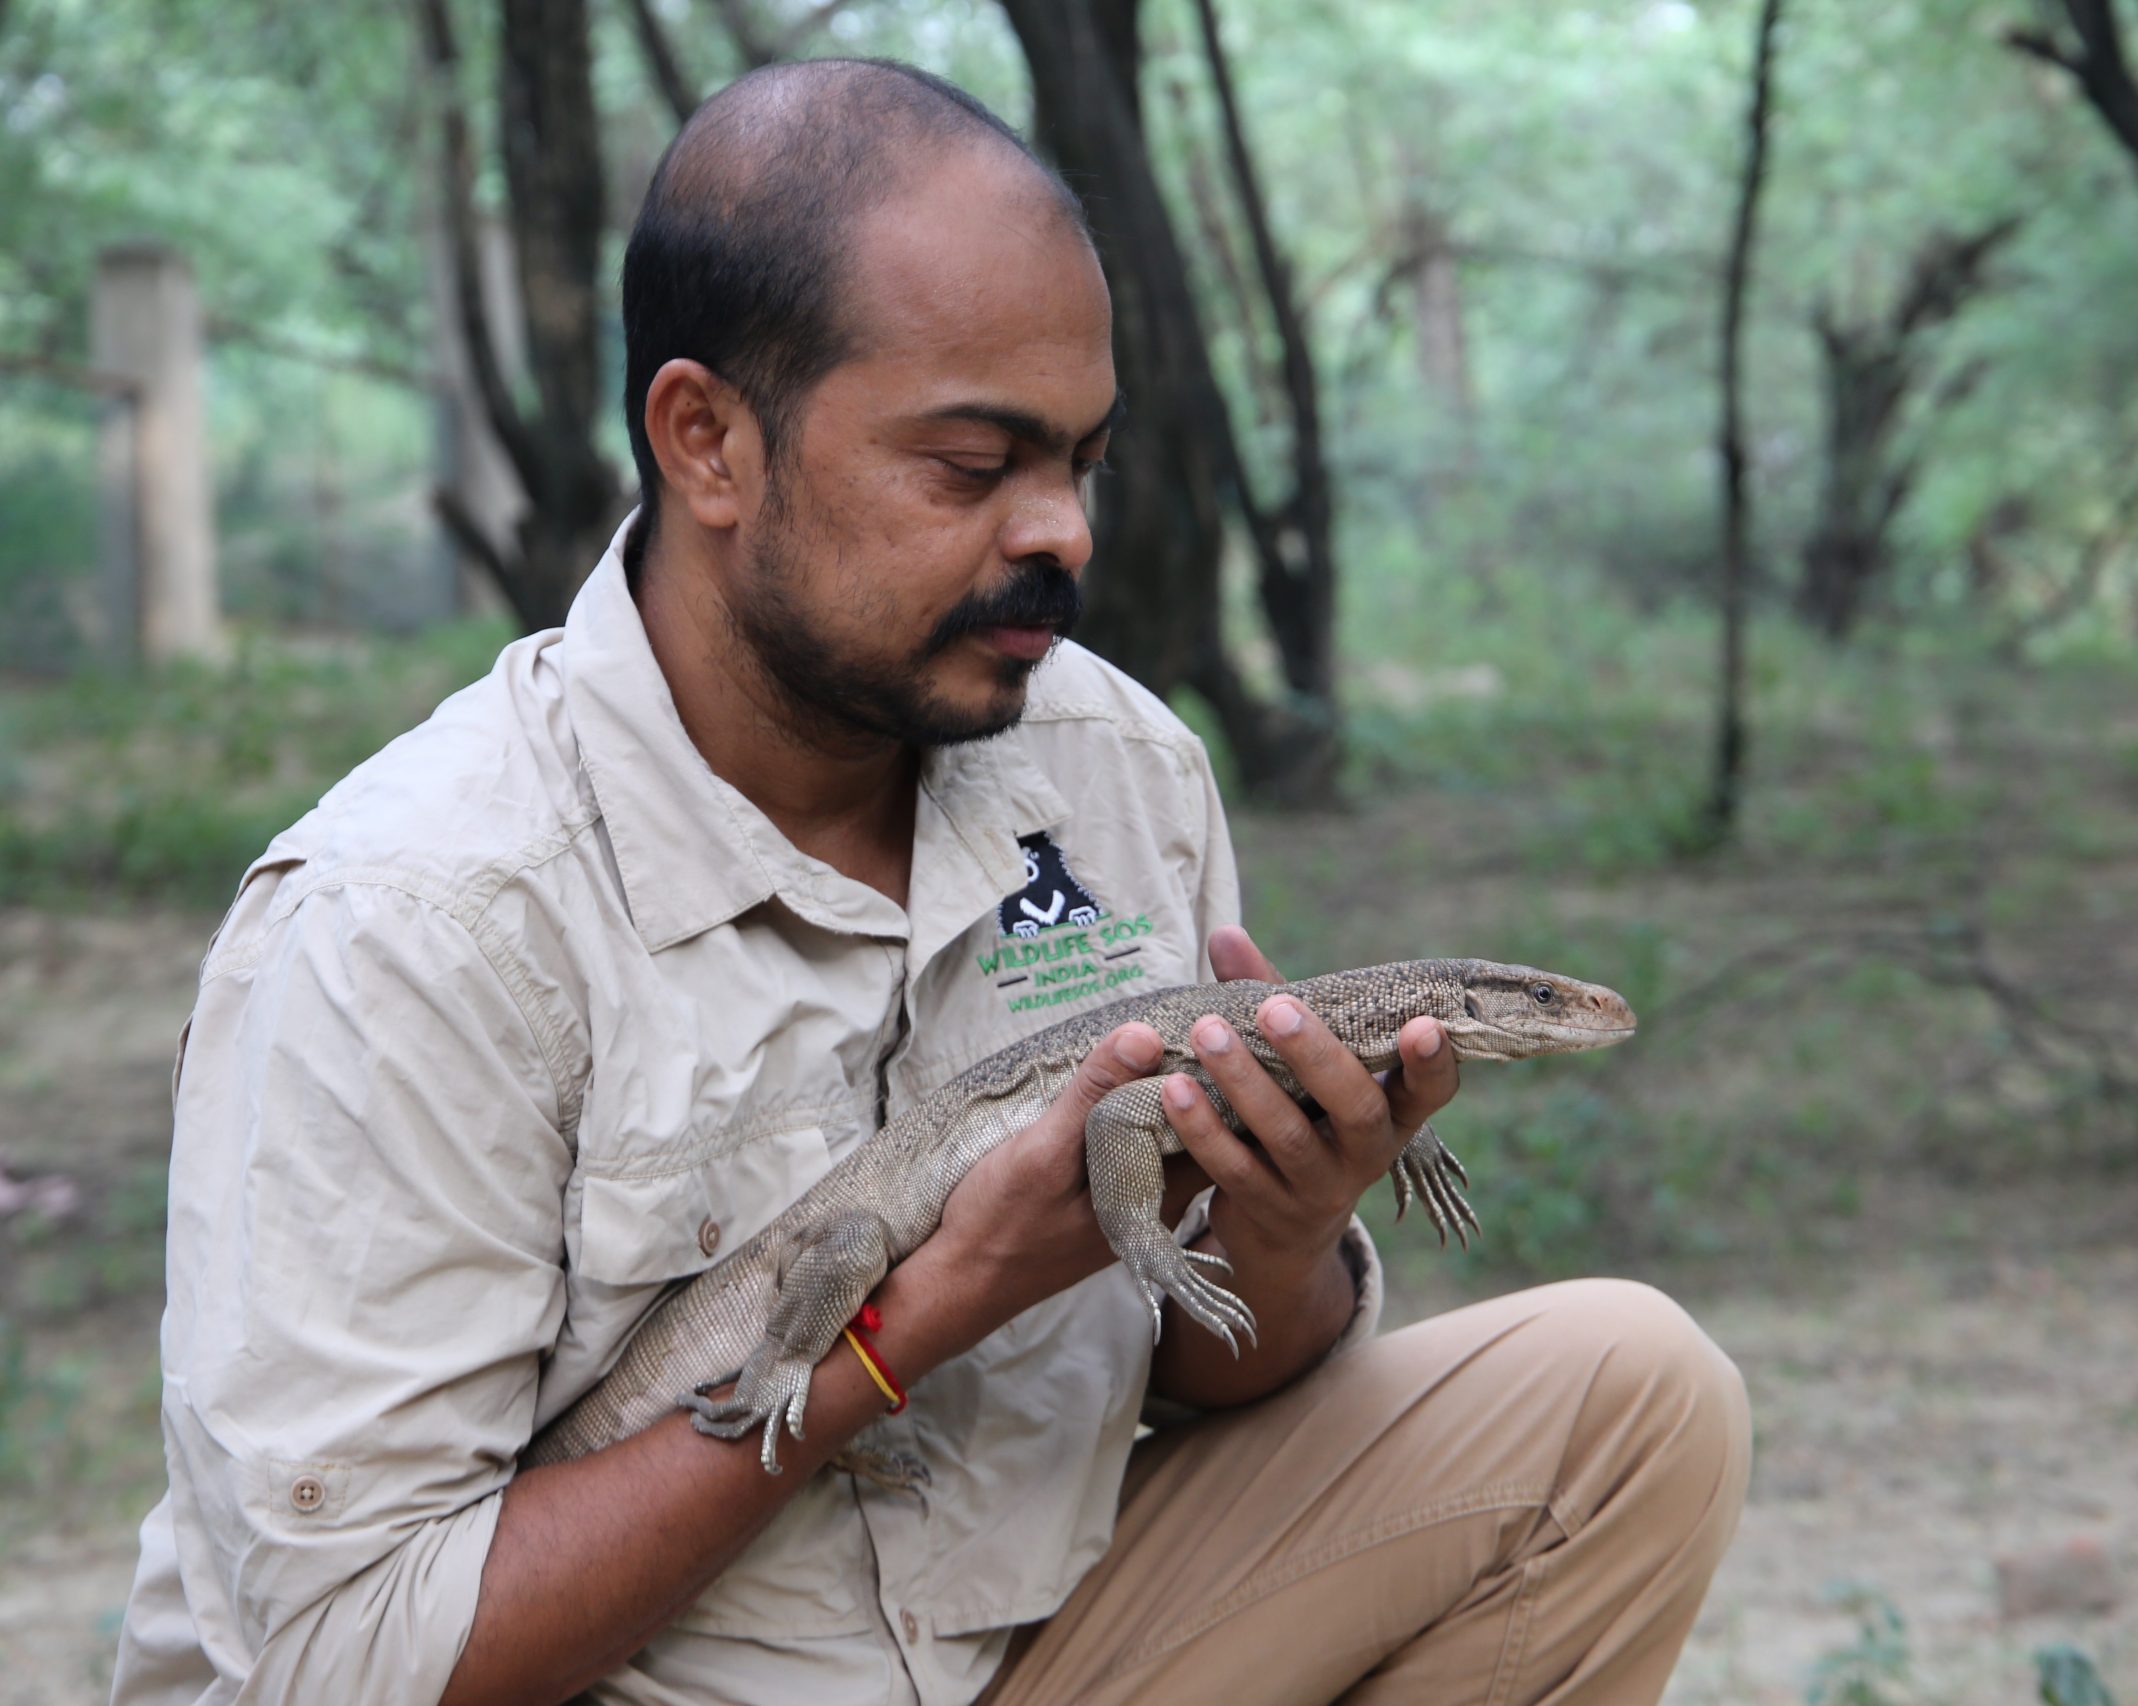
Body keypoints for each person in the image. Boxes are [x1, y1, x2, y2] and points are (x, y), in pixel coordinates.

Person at [110, 58, 1749, 1706]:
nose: (1063, 533)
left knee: (1622, 1397)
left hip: (1019, 1648)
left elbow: (1210, 1374)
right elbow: (342, 1664)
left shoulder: (1118, 767)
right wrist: (929, 1306)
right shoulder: (410, 917)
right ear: (707, 442)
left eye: (1084, 463)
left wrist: (1281, 1219)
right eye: (972, 465)